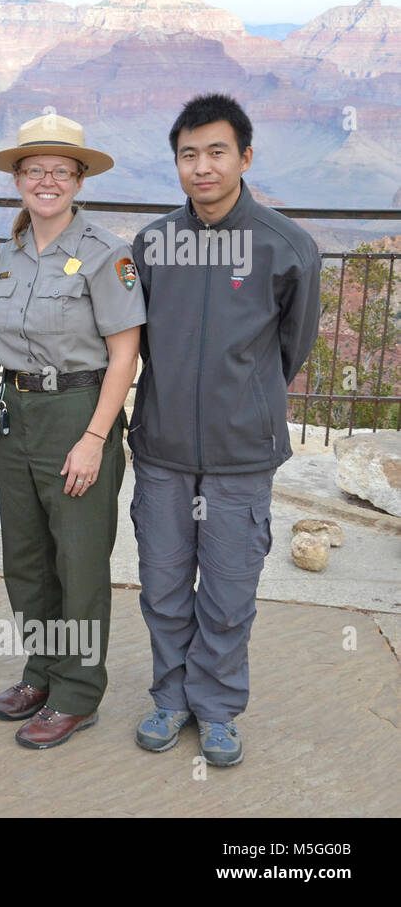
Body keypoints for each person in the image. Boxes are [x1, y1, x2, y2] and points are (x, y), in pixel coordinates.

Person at [129, 93, 320, 766]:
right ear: (176, 163)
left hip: (242, 454)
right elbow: (137, 340)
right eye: (189, 154)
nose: (202, 167)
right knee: (162, 584)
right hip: (162, 450)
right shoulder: (153, 244)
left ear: (245, 157)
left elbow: (292, 346)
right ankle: (170, 698)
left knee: (230, 590)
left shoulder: (286, 246)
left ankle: (215, 707)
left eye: (217, 152)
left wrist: (245, 402)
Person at [0, 114, 144, 748]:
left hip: (79, 413)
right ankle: (42, 672)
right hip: (16, 416)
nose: (46, 181)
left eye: (60, 171)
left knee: (78, 563)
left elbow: (124, 355)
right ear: (17, 179)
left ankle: (77, 692)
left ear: (79, 180)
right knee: (26, 560)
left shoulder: (106, 254)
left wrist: (95, 439)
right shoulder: (7, 254)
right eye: (34, 170)